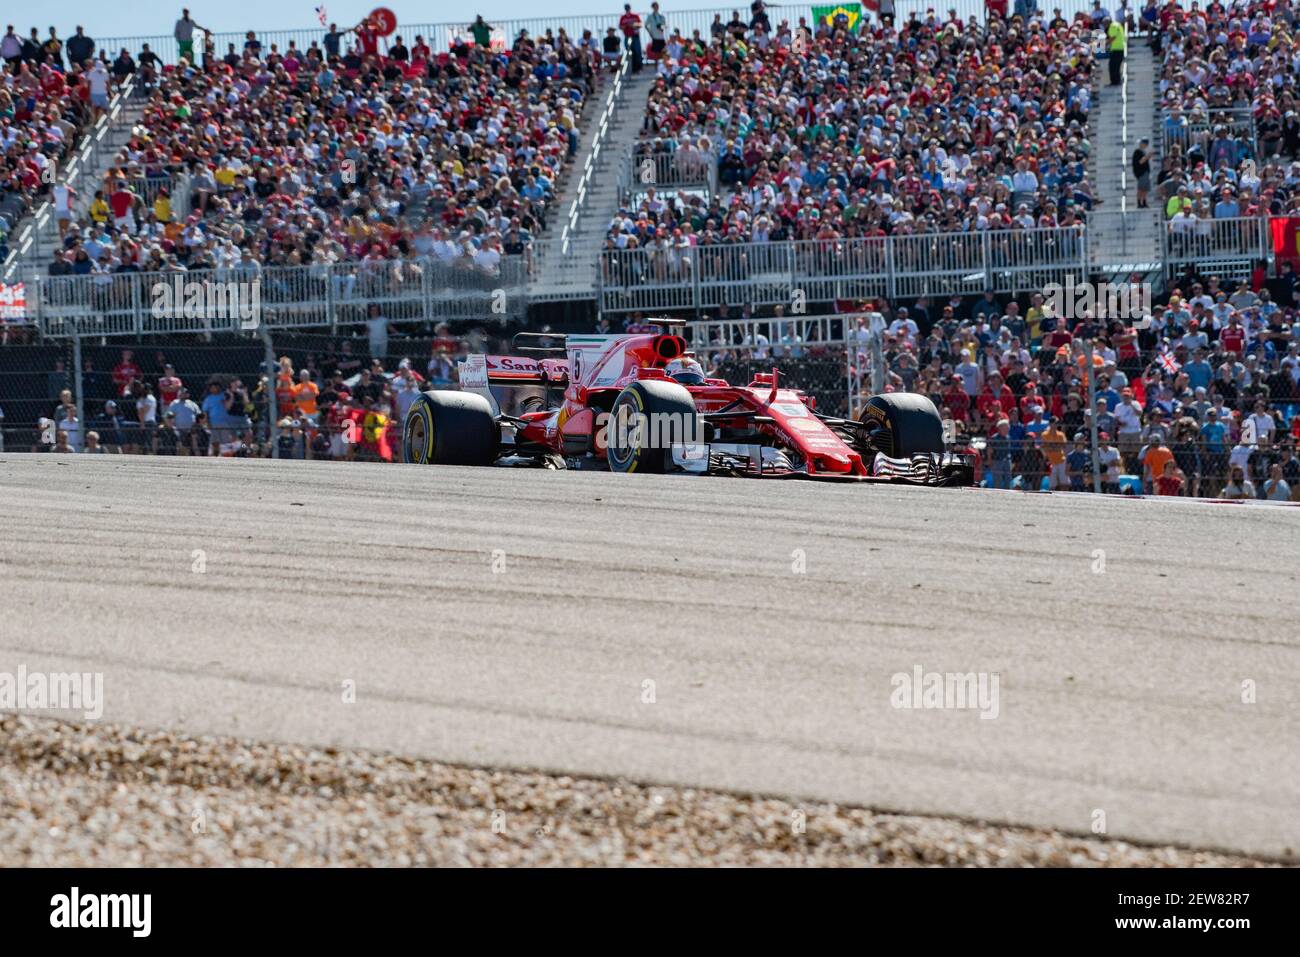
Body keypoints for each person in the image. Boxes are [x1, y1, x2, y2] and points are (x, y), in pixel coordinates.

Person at [619, 4, 643, 73]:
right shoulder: (623, 17)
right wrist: (626, 25)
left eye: (628, 8)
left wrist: (633, 25)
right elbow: (620, 27)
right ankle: (631, 68)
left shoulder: (635, 15)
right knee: (629, 53)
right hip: (627, 37)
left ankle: (639, 68)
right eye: (626, 8)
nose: (627, 9)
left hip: (635, 37)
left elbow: (640, 24)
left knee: (637, 52)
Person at [1106, 17, 1126, 86]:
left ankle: (1115, 82)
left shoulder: (1113, 26)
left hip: (1116, 49)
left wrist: (1105, 43)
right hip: (1120, 48)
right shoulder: (1117, 24)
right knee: (1116, 66)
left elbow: (1113, 37)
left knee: (1113, 66)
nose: (1105, 25)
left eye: (1105, 23)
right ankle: (1116, 81)